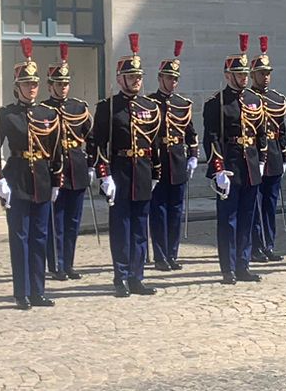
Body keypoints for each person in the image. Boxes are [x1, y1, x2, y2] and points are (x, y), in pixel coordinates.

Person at [0, 39, 63, 310]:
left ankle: (38, 290)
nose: (32, 89)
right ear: (17, 87)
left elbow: (57, 150)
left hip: (41, 180)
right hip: (16, 179)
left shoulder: (47, 113)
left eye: (35, 84)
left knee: (40, 238)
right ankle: (22, 292)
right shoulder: (7, 115)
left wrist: (56, 181)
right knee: (20, 238)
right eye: (27, 84)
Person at [93, 35, 160, 297]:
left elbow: (154, 142)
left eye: (139, 77)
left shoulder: (149, 106)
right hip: (120, 171)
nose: (136, 81)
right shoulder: (108, 108)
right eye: (131, 77)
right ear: (120, 79)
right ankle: (120, 276)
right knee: (121, 228)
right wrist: (104, 175)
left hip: (142, 172)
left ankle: (137, 277)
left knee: (140, 228)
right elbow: (97, 144)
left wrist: (156, 172)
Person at [203, 36, 266, 284]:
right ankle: (227, 268)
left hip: (250, 166)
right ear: (228, 75)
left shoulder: (254, 100)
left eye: (245, 75)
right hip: (229, 167)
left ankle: (243, 264)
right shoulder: (216, 103)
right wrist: (218, 170)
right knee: (228, 221)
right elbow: (212, 138)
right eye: (238, 75)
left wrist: (261, 159)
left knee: (247, 218)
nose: (243, 78)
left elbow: (260, 132)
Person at [46, 45, 94, 280]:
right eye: (58, 84)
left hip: (76, 168)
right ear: (50, 85)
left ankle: (69, 263)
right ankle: (56, 264)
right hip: (53, 171)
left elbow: (92, 137)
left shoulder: (79, 107)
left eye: (65, 84)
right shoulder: (42, 110)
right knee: (56, 220)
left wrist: (93, 164)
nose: (63, 88)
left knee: (73, 220)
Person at [149, 43, 196, 271]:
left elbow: (191, 133)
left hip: (177, 161)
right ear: (160, 79)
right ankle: (159, 256)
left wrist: (193, 156)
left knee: (176, 210)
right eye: (169, 78)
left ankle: (172, 253)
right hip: (158, 162)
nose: (172, 82)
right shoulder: (149, 103)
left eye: (175, 79)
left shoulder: (182, 104)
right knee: (158, 210)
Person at [251, 38, 286, 261]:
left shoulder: (276, 99)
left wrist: (284, 154)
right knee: (255, 204)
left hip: (273, 155)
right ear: (253, 75)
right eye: (261, 73)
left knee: (270, 204)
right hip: (254, 156)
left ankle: (269, 244)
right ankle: (255, 245)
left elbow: (281, 129)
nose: (265, 77)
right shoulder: (248, 98)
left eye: (268, 73)